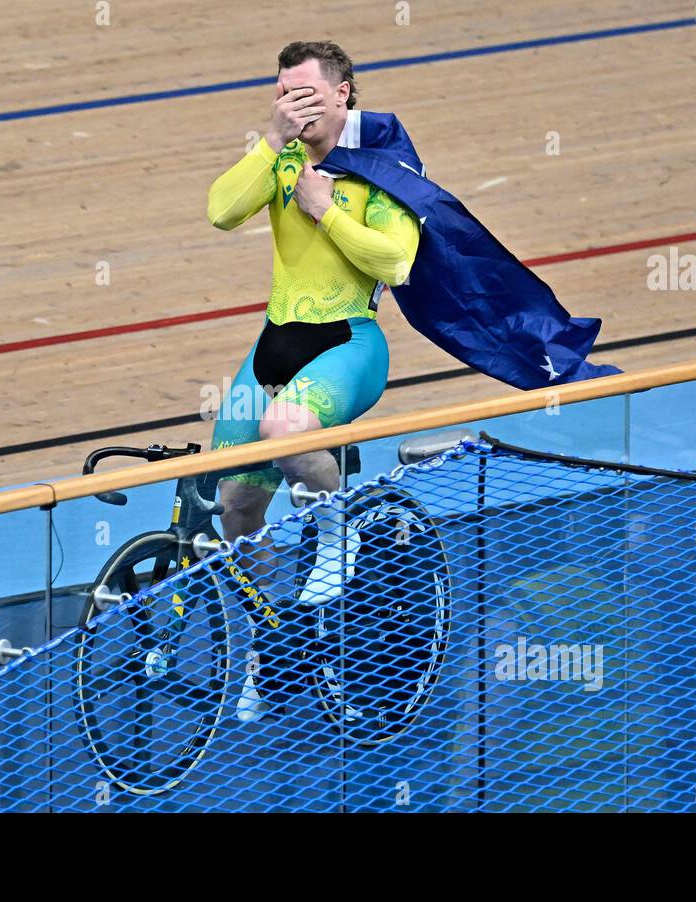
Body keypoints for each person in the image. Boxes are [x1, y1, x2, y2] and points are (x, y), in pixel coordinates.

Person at [205, 41, 418, 721]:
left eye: (305, 95)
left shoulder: (382, 166)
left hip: (350, 343)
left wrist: (328, 210)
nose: (292, 106)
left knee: (285, 428)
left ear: (344, 94)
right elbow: (221, 210)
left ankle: (337, 538)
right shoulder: (282, 156)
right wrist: (272, 143)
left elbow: (398, 262)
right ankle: (277, 641)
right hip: (275, 345)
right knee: (233, 501)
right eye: (282, 94)